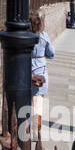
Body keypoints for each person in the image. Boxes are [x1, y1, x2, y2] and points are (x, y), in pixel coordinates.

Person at [30, 10, 55, 141]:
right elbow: (51, 54)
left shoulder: (26, 35)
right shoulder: (44, 36)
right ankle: (35, 129)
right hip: (40, 72)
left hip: (27, 71)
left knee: (28, 99)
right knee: (37, 101)